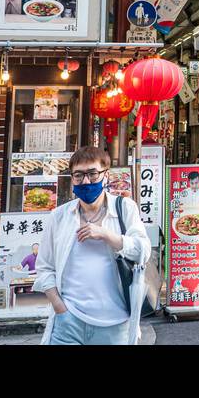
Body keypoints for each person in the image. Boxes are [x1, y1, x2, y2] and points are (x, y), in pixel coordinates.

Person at [33, 146, 151, 345]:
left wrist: (106, 235)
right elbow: (44, 267)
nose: (86, 181)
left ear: (106, 176)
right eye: (78, 175)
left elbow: (143, 251)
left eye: (93, 174)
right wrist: (59, 307)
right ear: (72, 178)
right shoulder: (60, 216)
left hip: (115, 324)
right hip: (68, 323)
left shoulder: (124, 208)